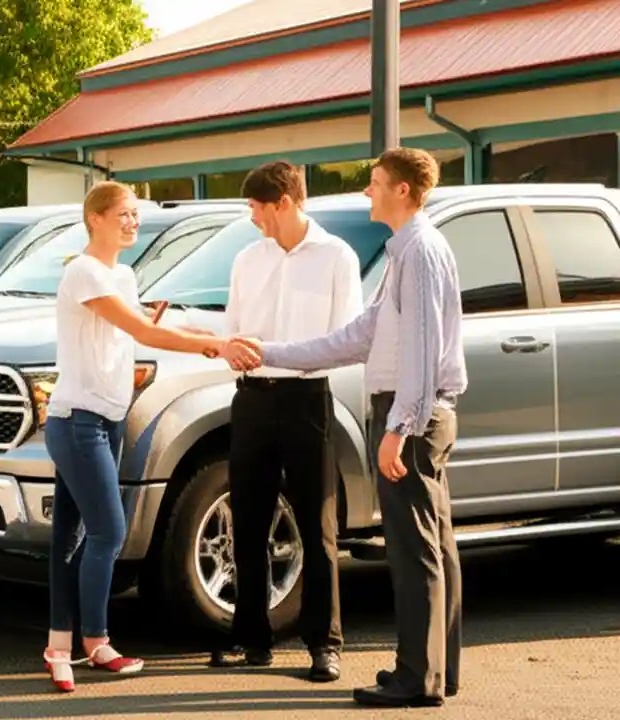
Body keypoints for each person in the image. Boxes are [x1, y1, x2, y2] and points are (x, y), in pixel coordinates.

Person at [225, 147, 466, 708]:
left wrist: (399, 427)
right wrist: (272, 351)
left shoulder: (421, 251)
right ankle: (436, 671)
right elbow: (356, 337)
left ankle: (418, 678)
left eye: (376, 182)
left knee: (415, 551)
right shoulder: (404, 251)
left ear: (402, 190)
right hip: (412, 412)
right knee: (434, 546)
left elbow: (422, 352)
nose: (367, 191)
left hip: (414, 416)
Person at [42, 180, 247, 693]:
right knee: (109, 532)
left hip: (108, 417)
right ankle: (97, 642)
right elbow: (144, 333)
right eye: (125, 214)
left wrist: (197, 333)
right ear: (96, 219)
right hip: (76, 421)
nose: (134, 221)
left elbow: (130, 334)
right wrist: (215, 345)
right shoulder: (82, 272)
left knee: (70, 537)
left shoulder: (124, 275)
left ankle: (57, 647)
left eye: (136, 214)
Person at [211, 161, 362, 683]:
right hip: (250, 400)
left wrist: (284, 353)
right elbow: (231, 327)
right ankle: (250, 638)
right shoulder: (247, 260)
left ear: (283, 202)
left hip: (306, 400)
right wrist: (231, 351)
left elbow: (346, 340)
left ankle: (324, 643)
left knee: (317, 524)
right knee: (246, 522)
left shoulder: (337, 257)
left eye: (255, 207)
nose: (251, 217)